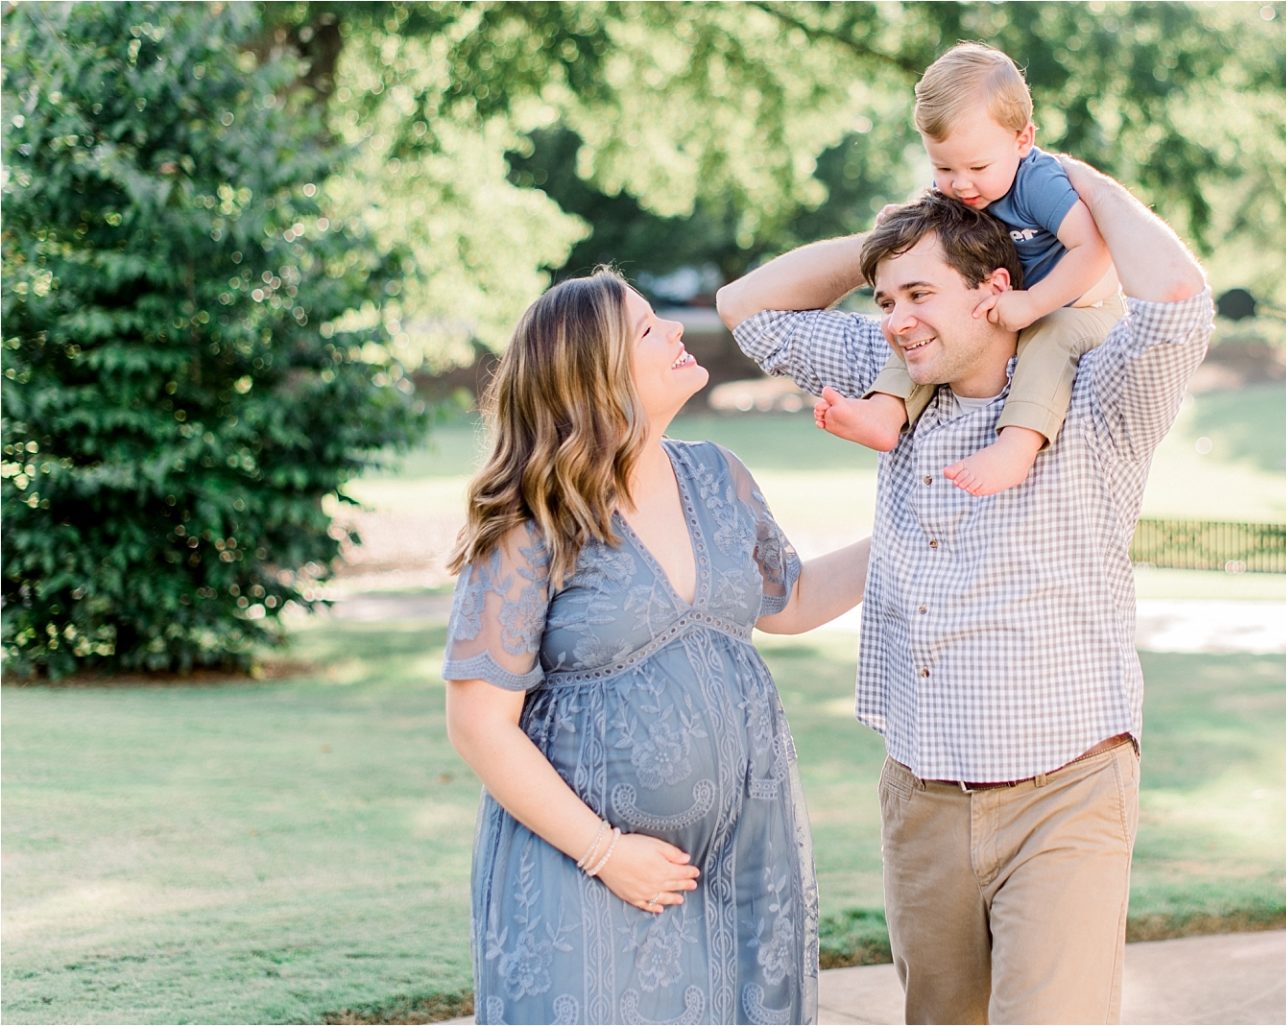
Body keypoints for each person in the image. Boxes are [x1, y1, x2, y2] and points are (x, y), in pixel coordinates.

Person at [717, 159, 1213, 1023]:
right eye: (885, 300)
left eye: (919, 293)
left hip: (1065, 794)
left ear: (994, 289)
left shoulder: (1098, 392)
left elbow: (1176, 299)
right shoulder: (892, 372)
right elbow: (745, 307)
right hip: (924, 798)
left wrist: (1066, 187)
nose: (897, 318)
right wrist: (908, 235)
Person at [441, 269, 870, 1025]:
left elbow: (792, 598)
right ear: (593, 374)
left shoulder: (717, 476)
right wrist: (606, 852)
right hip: (583, 870)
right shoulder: (533, 515)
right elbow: (479, 725)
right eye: (646, 328)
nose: (674, 329)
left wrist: (912, 529)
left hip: (740, 864)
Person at [816, 42, 1122, 497]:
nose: (960, 184)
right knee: (922, 322)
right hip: (1013, 298)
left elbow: (1095, 249)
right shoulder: (967, 185)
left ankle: (1017, 446)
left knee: (1049, 336)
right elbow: (936, 225)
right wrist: (902, 223)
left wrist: (1034, 303)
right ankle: (886, 410)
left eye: (977, 166)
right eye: (942, 167)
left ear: (1022, 140)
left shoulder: (1037, 182)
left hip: (1080, 304)